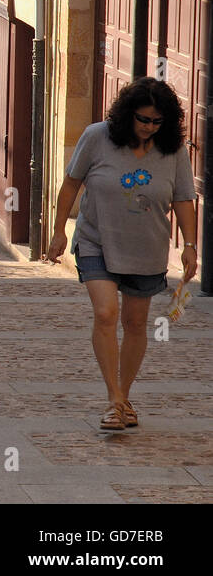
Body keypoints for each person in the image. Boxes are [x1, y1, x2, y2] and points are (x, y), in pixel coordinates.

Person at [45, 77, 198, 431]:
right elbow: (71, 183)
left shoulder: (172, 150)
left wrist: (190, 246)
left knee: (134, 324)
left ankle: (124, 396)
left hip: (147, 247)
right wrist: (56, 232)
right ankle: (114, 400)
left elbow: (183, 199)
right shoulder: (97, 137)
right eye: (143, 119)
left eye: (157, 122)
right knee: (105, 313)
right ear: (128, 115)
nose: (149, 127)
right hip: (96, 239)